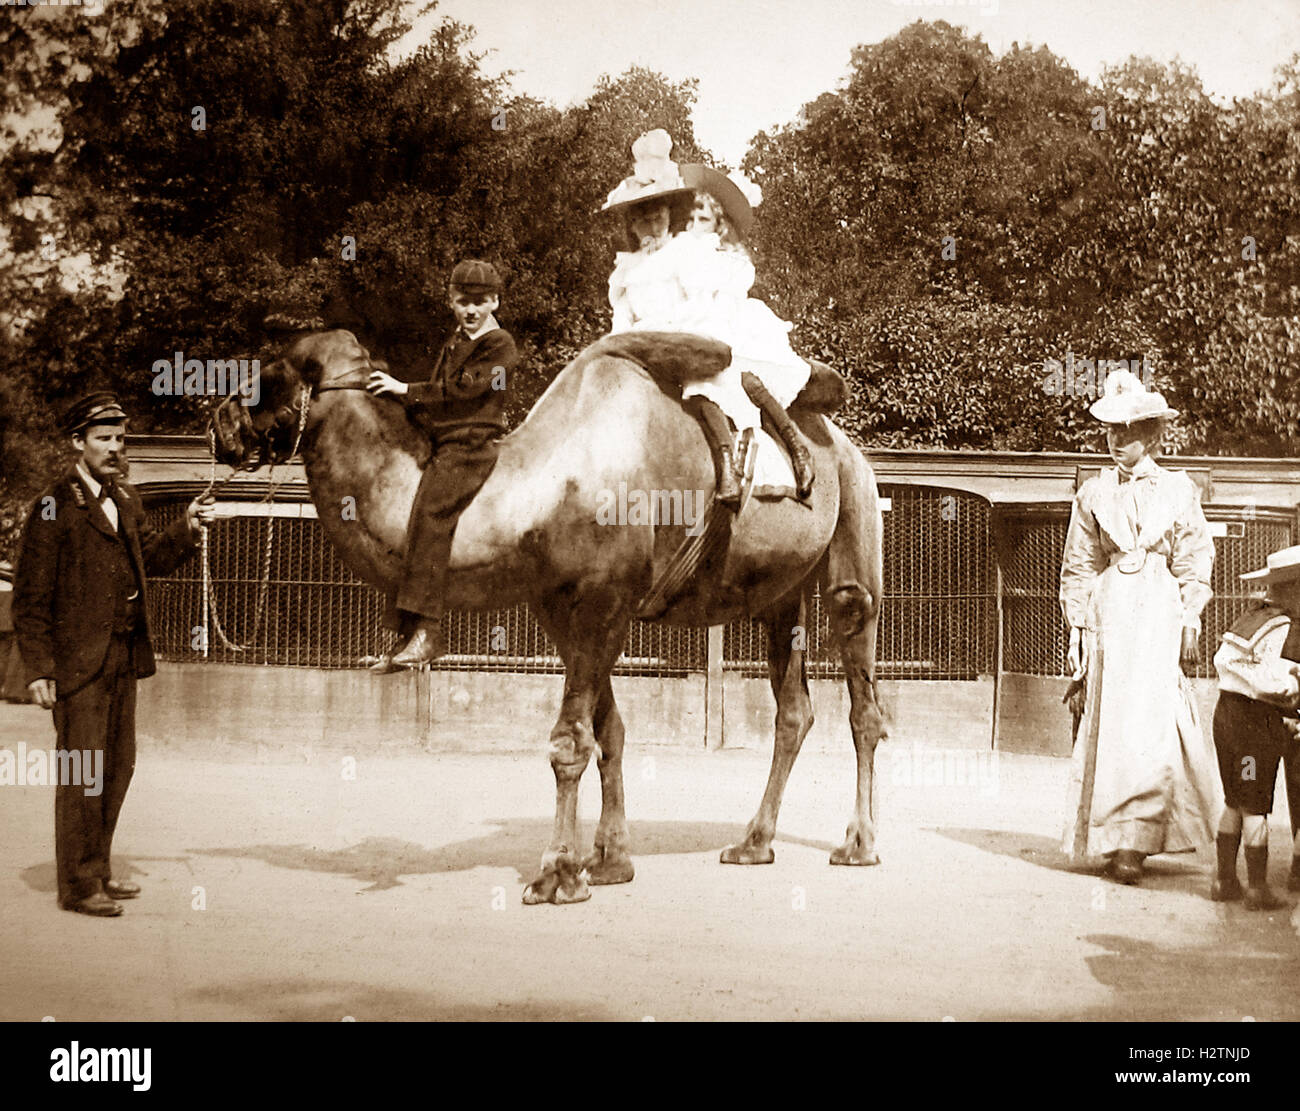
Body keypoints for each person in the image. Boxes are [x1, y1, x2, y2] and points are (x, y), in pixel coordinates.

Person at [12, 392, 215, 917]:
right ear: (77, 443)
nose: (114, 447)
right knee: (84, 770)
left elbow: (151, 558)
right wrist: (38, 669)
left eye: (119, 438)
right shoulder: (55, 503)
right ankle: (78, 886)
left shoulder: (125, 500)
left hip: (123, 656)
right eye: (103, 438)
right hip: (77, 663)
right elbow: (31, 596)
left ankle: (97, 869)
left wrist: (187, 525)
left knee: (117, 767)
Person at [1059, 369, 1218, 885]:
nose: (1117, 441)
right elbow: (1078, 566)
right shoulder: (1093, 494)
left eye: (1128, 432)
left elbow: (1194, 560)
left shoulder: (1177, 490)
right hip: (1111, 616)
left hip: (1157, 614)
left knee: (1151, 725)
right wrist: (1078, 631)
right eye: (1110, 431)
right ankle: (1114, 837)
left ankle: (1142, 839)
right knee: (1112, 723)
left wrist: (1190, 621)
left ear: (1151, 436)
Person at [367, 258, 518, 668]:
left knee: (432, 517)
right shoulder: (454, 340)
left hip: (471, 444)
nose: (470, 310)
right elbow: (438, 394)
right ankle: (403, 637)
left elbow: (463, 392)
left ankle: (429, 633)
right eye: (462, 301)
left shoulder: (499, 344)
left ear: (495, 301)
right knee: (410, 523)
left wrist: (405, 388)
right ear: (451, 301)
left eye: (480, 302)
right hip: (444, 442)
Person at [602, 130, 745, 509]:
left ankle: (727, 463)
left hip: (685, 337)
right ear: (631, 226)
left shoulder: (686, 253)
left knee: (699, 387)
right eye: (642, 220)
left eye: (658, 217)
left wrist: (660, 329)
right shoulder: (626, 272)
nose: (651, 226)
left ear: (670, 216)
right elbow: (621, 321)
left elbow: (699, 302)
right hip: (638, 350)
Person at [677, 164, 815, 497]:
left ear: (721, 226)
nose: (694, 227)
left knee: (730, 378)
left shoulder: (732, 262)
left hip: (732, 327)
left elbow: (722, 300)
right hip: (695, 326)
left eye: (704, 220)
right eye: (690, 219)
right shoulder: (682, 254)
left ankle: (781, 450)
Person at [1208, 544, 1300, 909]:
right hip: (1253, 723)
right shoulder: (1285, 626)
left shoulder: (1252, 617)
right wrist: (1293, 689)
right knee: (1255, 804)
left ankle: (1224, 880)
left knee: (1234, 799)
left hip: (1225, 717)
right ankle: (1257, 888)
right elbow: (1272, 682)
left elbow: (1224, 661)